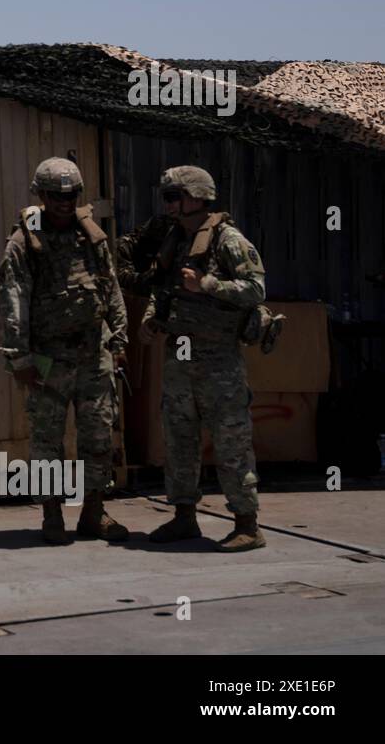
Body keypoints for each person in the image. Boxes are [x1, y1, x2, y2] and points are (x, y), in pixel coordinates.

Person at [0, 158, 129, 544]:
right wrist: (19, 358)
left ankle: (94, 512)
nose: (64, 203)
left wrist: (118, 340)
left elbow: (110, 286)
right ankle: (52, 514)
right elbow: (13, 302)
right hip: (47, 359)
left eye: (71, 195)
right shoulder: (24, 242)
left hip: (93, 352)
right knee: (47, 439)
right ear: (41, 195)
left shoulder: (90, 235)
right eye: (56, 195)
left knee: (99, 436)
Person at [139, 166, 266, 551]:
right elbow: (164, 289)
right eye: (167, 197)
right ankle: (183, 518)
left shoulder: (228, 239)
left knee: (231, 441)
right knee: (179, 440)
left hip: (218, 360)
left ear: (196, 196)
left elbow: (256, 288)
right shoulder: (177, 240)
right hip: (180, 356)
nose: (169, 204)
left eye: (174, 196)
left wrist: (208, 284)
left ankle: (247, 524)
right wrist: (150, 319)